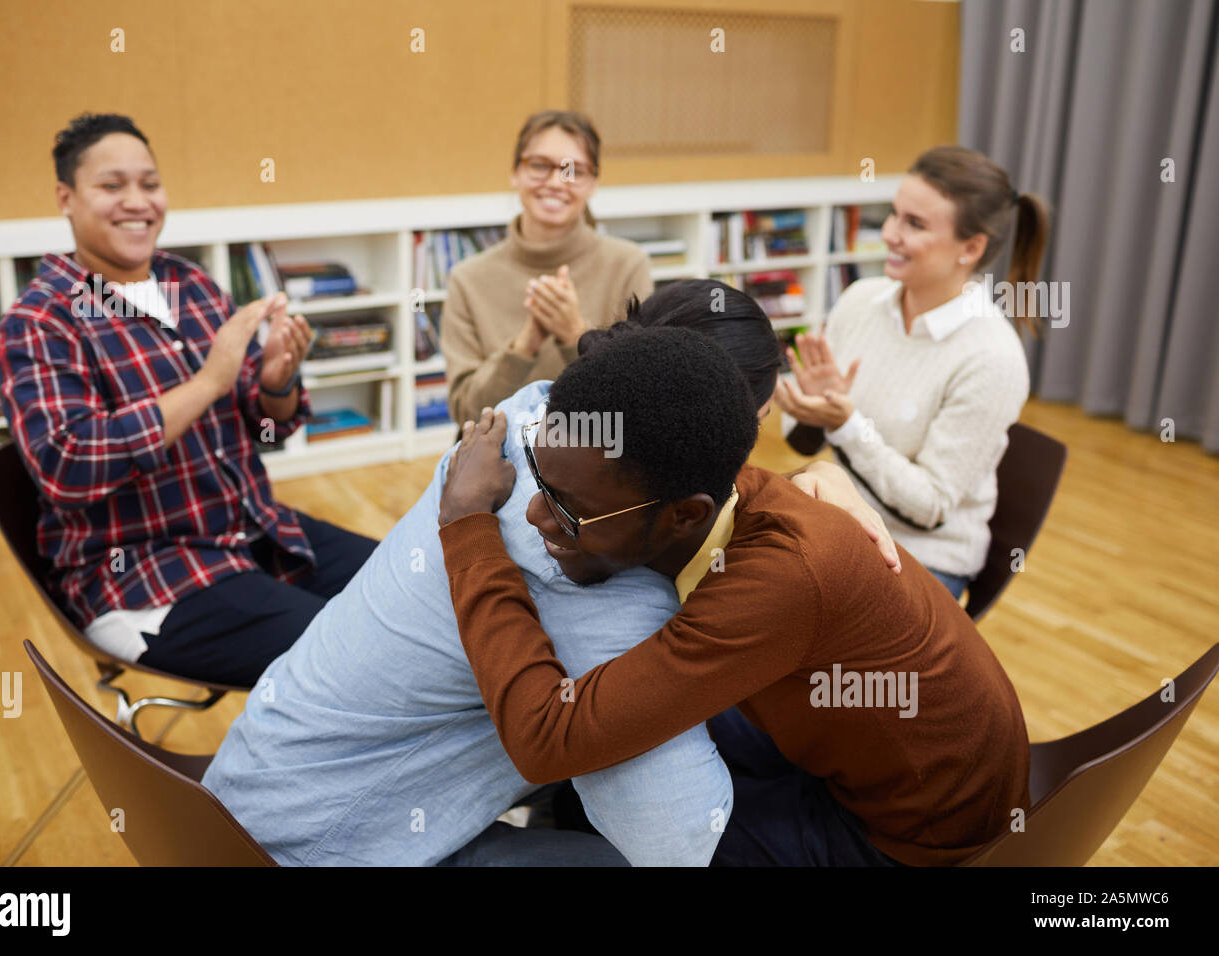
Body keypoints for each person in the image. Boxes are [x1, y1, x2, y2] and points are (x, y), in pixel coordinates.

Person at [436, 324, 1032, 867]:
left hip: (914, 844)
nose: (538, 514)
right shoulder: (716, 490)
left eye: (571, 507)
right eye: (543, 482)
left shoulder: (780, 580)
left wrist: (467, 527)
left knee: (583, 812)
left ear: (683, 516)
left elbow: (547, 738)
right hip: (891, 771)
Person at [0, 113, 378, 687]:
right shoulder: (38, 321)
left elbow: (268, 427)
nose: (138, 202)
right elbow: (66, 468)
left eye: (150, 184)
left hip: (253, 529)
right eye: (112, 185)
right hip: (142, 575)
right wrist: (206, 384)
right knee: (359, 660)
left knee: (421, 588)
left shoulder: (189, 283)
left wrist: (273, 382)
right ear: (65, 198)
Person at [775, 144, 1050, 599]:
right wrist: (815, 413)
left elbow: (929, 508)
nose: (888, 234)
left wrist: (846, 426)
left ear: (972, 247)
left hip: (924, 560)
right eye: (893, 214)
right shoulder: (861, 300)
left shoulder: (992, 358)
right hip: (839, 531)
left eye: (914, 224)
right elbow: (802, 441)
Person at [441, 110, 652, 425]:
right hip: (499, 462)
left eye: (574, 170)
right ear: (515, 173)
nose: (556, 182)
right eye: (540, 166)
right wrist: (523, 348)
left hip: (600, 455)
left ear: (593, 183)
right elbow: (466, 414)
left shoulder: (628, 265)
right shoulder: (467, 279)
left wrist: (575, 336)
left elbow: (638, 400)